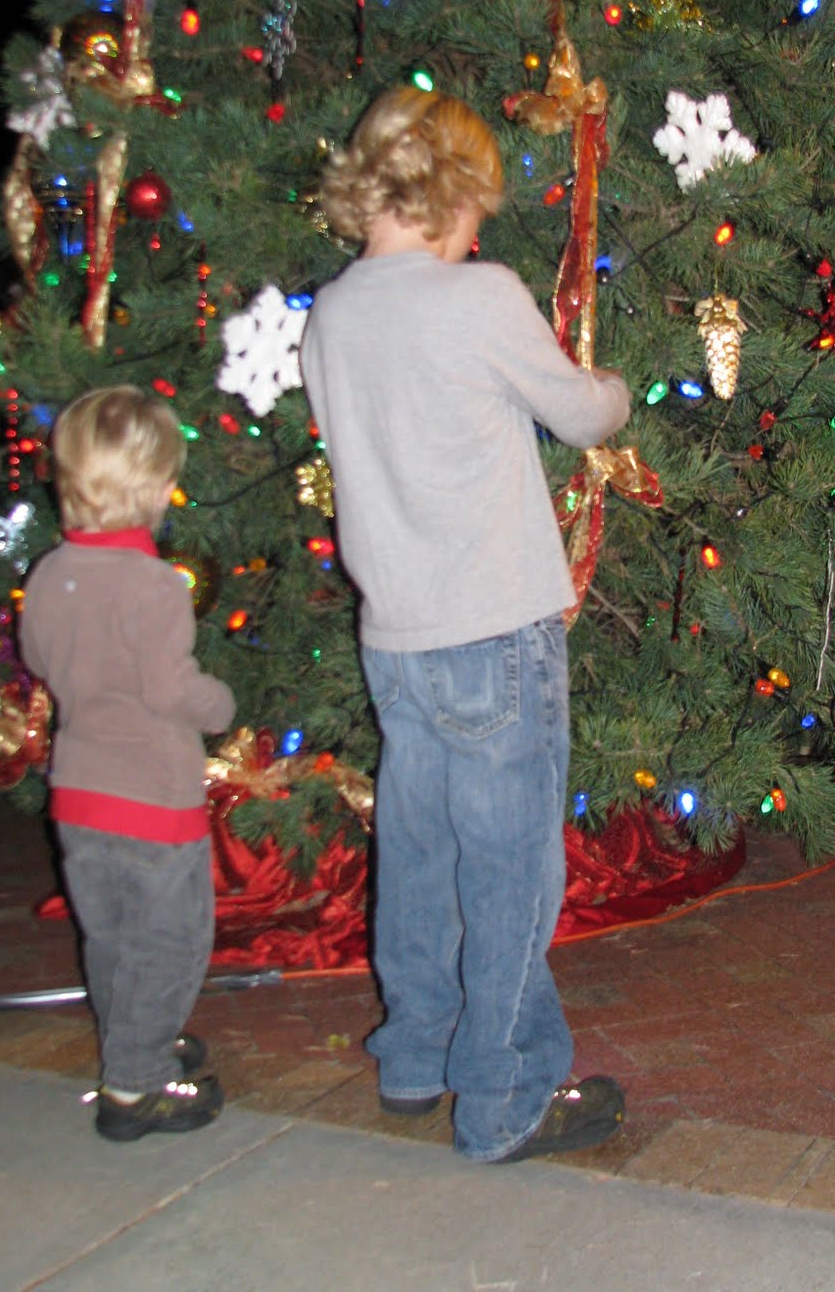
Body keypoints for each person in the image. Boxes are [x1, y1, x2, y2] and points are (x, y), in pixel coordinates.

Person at [299, 86, 631, 1164]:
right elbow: (581, 412)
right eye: (477, 204)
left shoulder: (334, 314)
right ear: (449, 193)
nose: (480, 228)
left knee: (421, 849)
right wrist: (614, 388)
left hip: (395, 636)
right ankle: (508, 1094)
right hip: (495, 630)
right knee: (510, 866)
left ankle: (415, 1052)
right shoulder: (479, 294)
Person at [19, 385, 235, 1141]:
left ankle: (133, 1041)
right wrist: (221, 706)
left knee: (111, 936)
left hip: (78, 795)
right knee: (171, 941)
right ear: (153, 489)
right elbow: (168, 688)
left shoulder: (48, 574)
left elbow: (38, 657)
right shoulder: (152, 586)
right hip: (153, 798)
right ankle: (135, 1088)